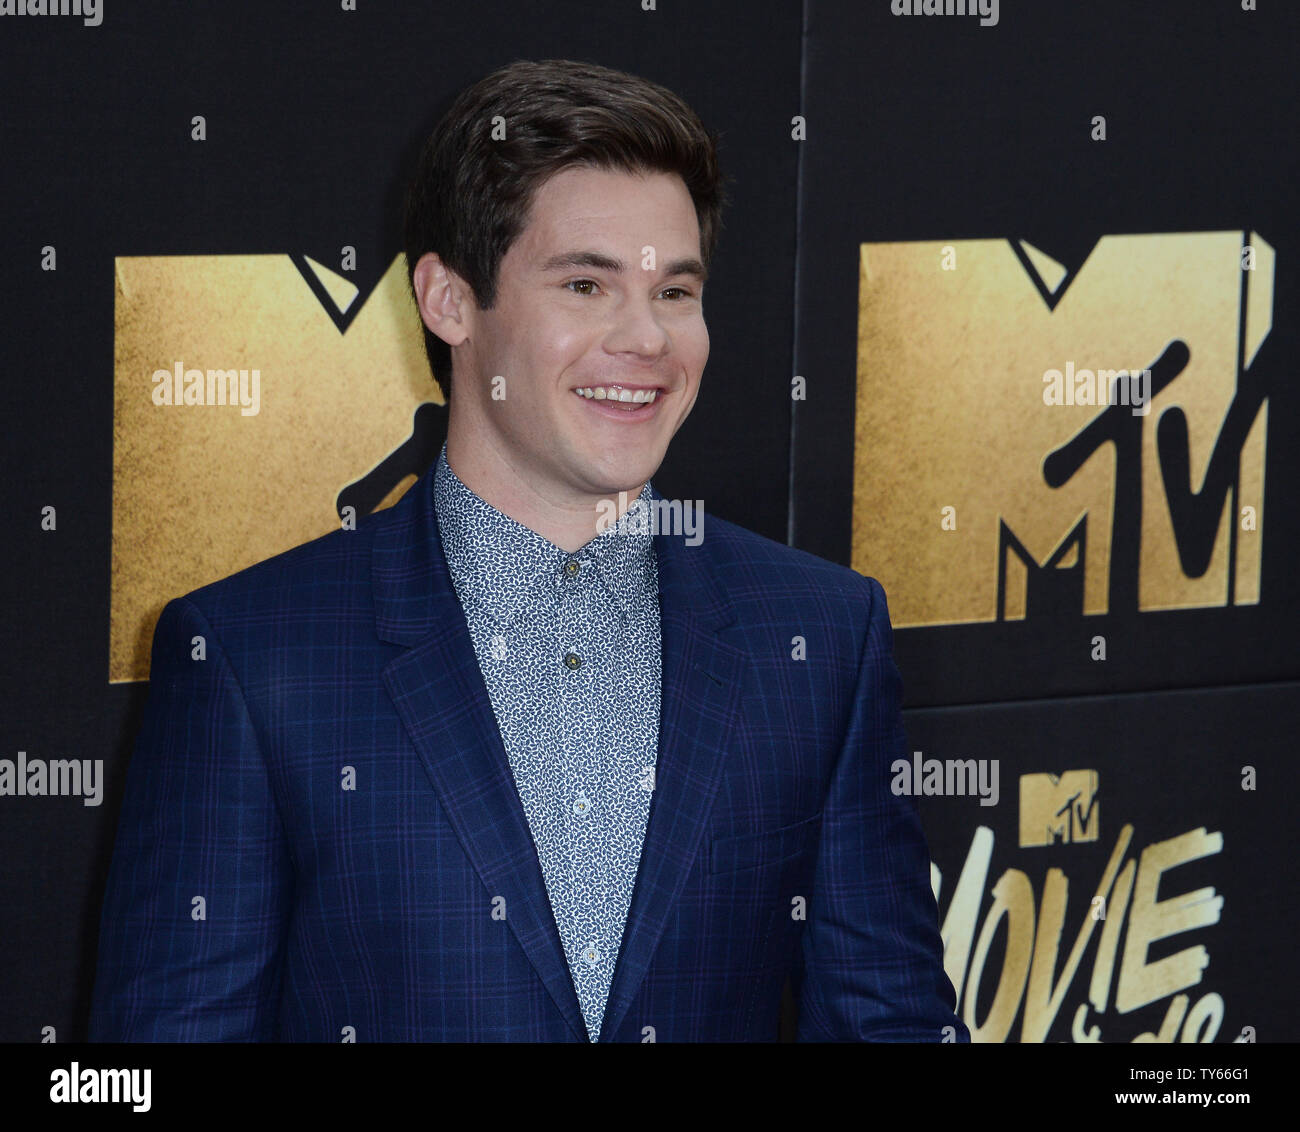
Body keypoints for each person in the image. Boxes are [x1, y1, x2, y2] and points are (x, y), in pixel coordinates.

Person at [89, 57, 967, 1043]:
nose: (647, 337)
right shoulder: (253, 656)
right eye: (586, 283)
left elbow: (885, 1020)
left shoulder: (816, 636)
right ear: (449, 300)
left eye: (675, 291)